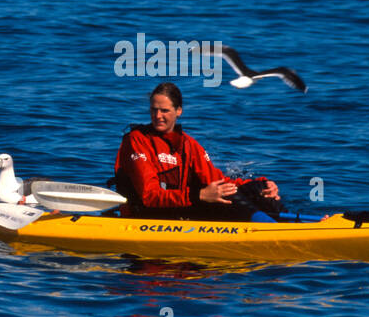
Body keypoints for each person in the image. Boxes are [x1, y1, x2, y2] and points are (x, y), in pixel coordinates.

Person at [114, 82, 282, 220]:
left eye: (164, 110)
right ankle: (272, 230)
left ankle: (288, 225)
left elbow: (217, 180)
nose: (158, 116)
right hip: (147, 216)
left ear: (178, 111)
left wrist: (262, 184)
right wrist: (198, 195)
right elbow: (149, 196)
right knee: (227, 196)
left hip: (181, 211)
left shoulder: (188, 144)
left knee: (257, 190)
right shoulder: (137, 140)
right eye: (153, 110)